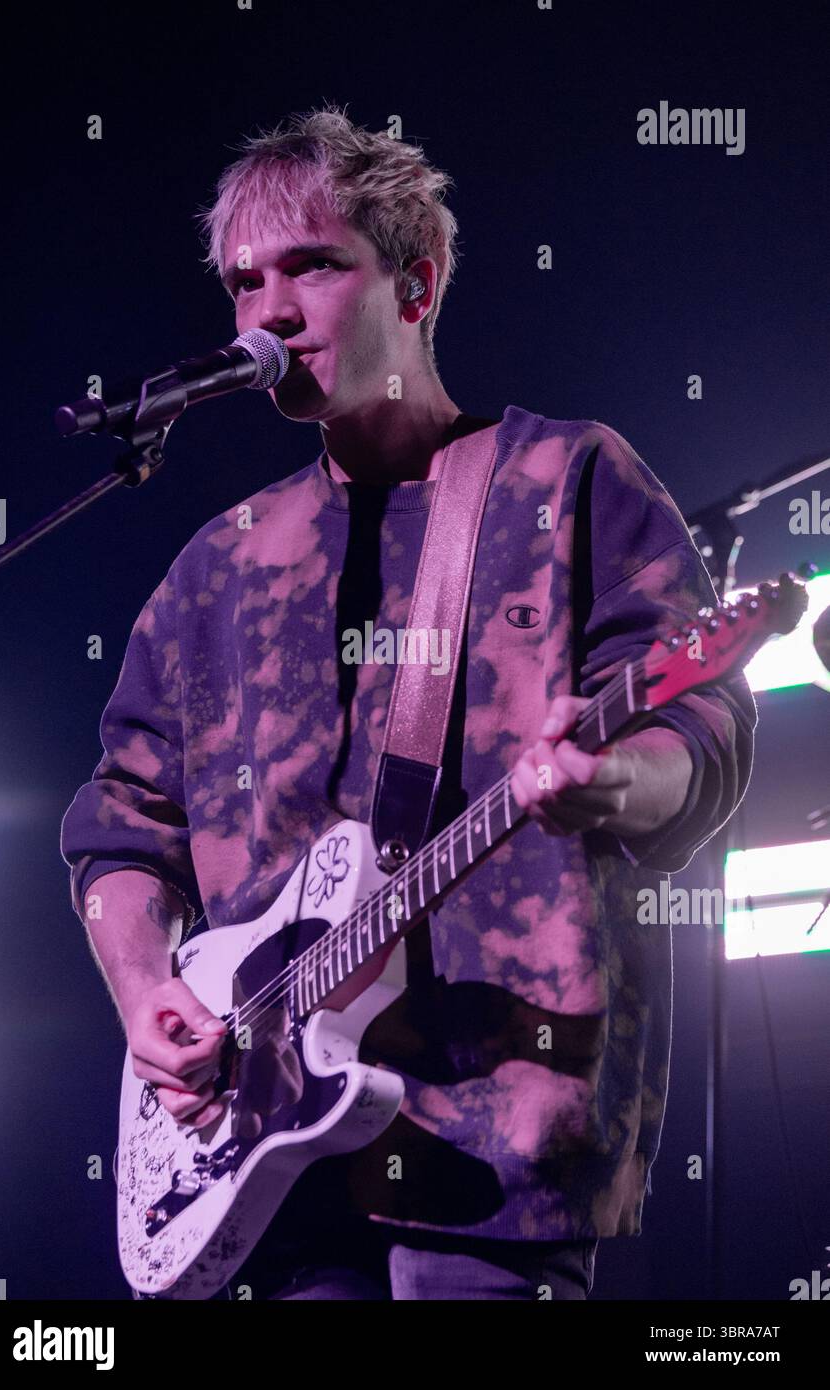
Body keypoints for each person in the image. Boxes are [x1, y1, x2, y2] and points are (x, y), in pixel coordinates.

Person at [60, 104, 756, 1300]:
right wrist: (145, 990)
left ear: (419, 285)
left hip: (493, 1144)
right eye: (244, 283)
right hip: (258, 1155)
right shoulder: (215, 564)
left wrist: (611, 779)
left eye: (313, 266)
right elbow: (123, 820)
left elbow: (701, 729)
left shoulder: (567, 479)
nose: (269, 311)